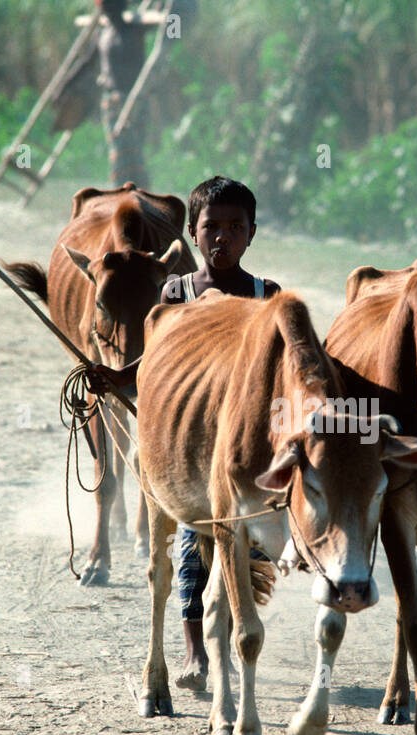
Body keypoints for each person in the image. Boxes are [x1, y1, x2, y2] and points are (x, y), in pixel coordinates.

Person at [164, 176, 280, 691]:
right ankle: (194, 653)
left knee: (249, 546)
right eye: (212, 226)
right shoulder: (176, 294)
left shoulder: (268, 296)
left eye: (236, 227)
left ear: (252, 233)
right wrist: (117, 378)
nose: (223, 238)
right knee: (194, 541)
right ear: (192, 232)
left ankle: (230, 636)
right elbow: (159, 367)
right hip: (196, 447)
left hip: (250, 450)